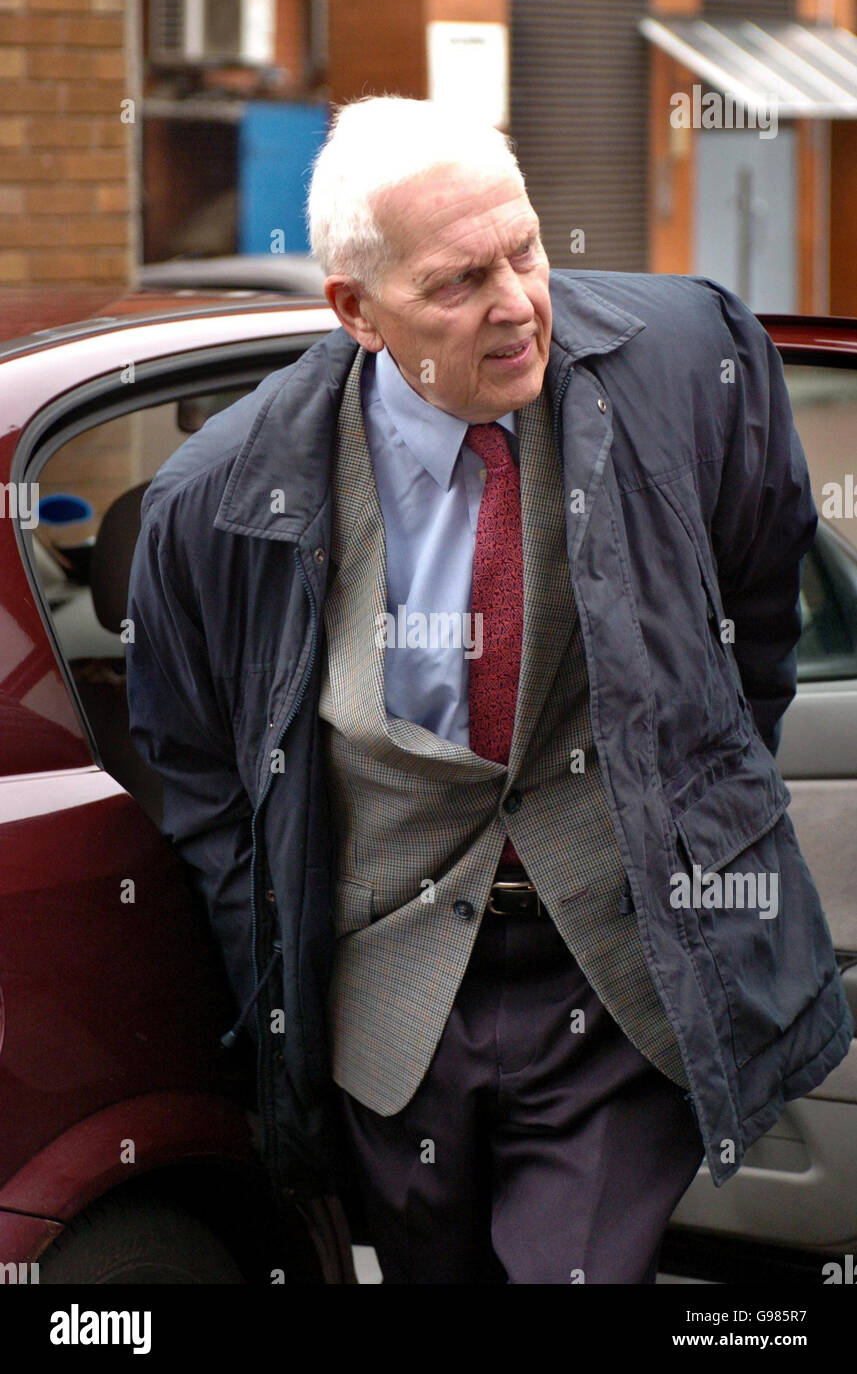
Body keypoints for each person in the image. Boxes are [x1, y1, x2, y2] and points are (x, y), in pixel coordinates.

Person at [126, 95, 853, 1284]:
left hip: (618, 977)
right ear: (354, 310)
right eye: (460, 282)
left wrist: (692, 806)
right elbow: (196, 758)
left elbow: (751, 613)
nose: (516, 303)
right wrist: (285, 941)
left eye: (523, 249)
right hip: (387, 1007)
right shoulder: (219, 496)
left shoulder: (687, 362)